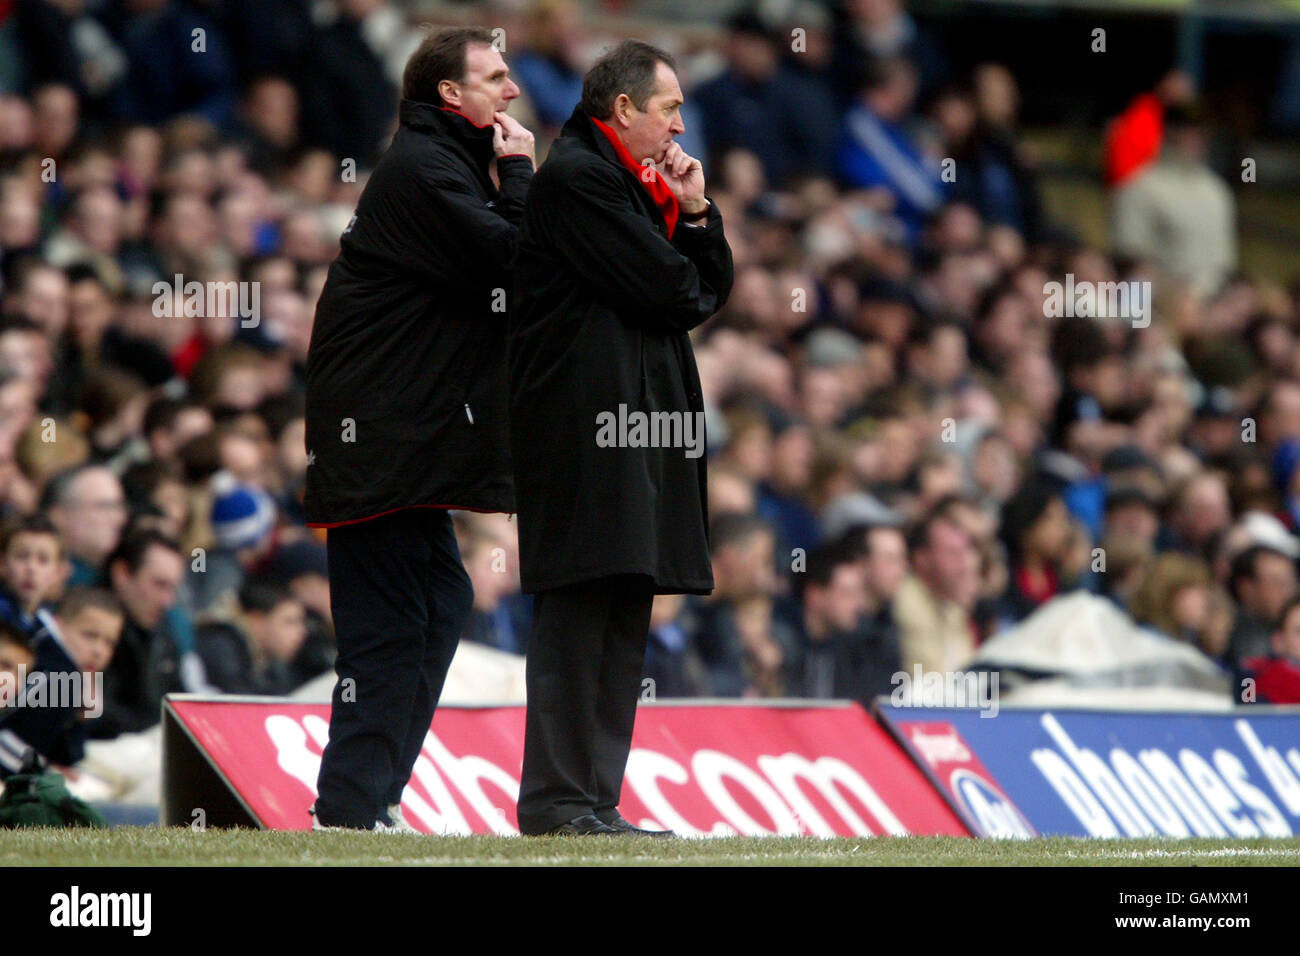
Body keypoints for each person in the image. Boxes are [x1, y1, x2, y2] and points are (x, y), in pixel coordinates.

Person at [303, 27, 535, 831]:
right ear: (450, 95)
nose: (511, 89)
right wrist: (519, 172)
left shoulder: (443, 163)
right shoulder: (428, 168)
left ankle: (372, 798)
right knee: (390, 628)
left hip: (406, 438)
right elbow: (519, 261)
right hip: (378, 440)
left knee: (439, 602)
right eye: (495, 76)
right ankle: (347, 810)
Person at [508, 40, 733, 836]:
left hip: (634, 426)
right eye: (669, 107)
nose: (680, 122)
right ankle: (556, 801)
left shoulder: (640, 187)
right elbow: (674, 288)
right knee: (580, 608)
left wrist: (699, 213)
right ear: (625, 108)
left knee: (623, 603)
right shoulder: (578, 179)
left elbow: (700, 288)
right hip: (581, 427)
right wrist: (689, 244)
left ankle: (594, 799)